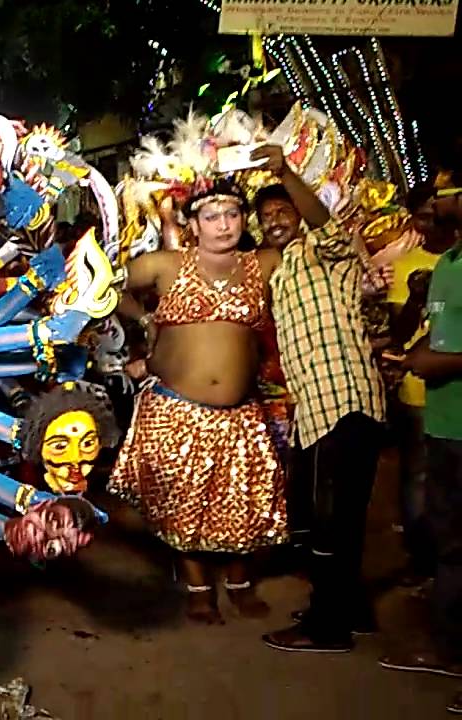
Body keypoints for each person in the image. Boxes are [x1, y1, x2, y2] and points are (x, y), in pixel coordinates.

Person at [111, 174, 286, 625]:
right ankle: (199, 588)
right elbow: (106, 287)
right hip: (175, 409)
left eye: (232, 214)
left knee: (244, 501)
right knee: (182, 504)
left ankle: (240, 584)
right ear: (193, 224)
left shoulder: (262, 264)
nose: (223, 225)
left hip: (241, 414)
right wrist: (146, 318)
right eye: (211, 216)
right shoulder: (165, 265)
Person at [258, 145, 388, 653]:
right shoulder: (281, 270)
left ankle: (326, 628)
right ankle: (350, 610)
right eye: (265, 216)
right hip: (313, 411)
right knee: (326, 519)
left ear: (298, 211)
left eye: (282, 212)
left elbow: (324, 221)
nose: (274, 221)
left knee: (332, 521)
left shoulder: (326, 252)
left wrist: (283, 172)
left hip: (347, 400)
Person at [378, 185, 462, 701]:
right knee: (451, 543)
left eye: (451, 191)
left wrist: (432, 364)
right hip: (444, 424)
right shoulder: (449, 263)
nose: (440, 199)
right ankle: (450, 649)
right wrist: (410, 358)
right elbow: (436, 334)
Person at [386, 185, 451, 586]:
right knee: (418, 478)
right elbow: (398, 331)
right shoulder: (408, 264)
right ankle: (421, 559)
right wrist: (414, 300)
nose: (429, 224)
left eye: (436, 214)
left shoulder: (457, 261)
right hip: (418, 392)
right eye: (421, 217)